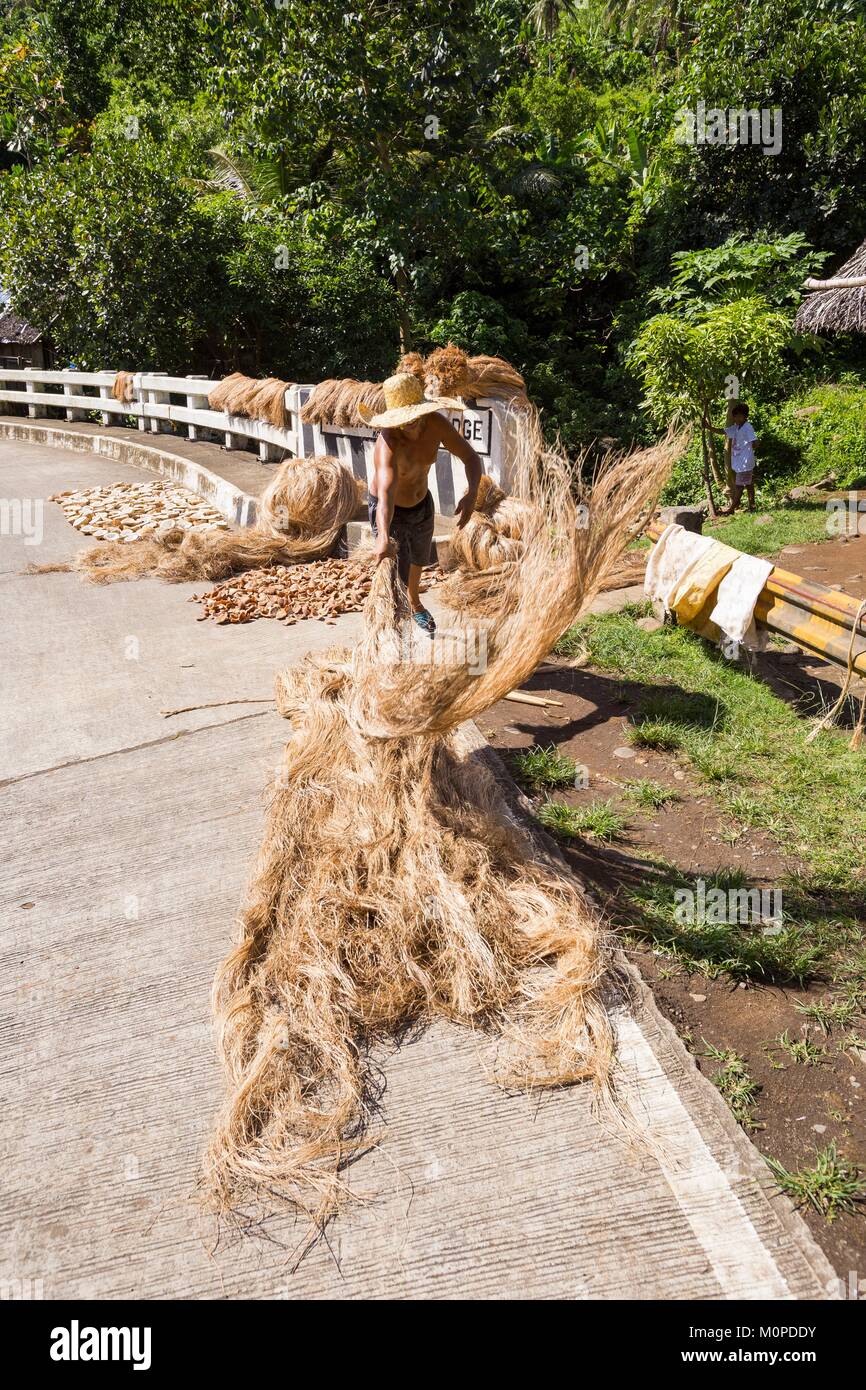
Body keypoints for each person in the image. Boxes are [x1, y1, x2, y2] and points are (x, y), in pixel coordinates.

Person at [359, 372, 482, 635]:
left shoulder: (436, 425)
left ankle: (414, 602)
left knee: (418, 559)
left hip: (422, 503)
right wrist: (382, 537)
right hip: (389, 509)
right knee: (393, 571)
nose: (413, 426)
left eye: (416, 418)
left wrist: (472, 495)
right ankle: (389, 623)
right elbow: (385, 497)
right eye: (406, 422)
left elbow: (471, 457)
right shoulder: (389, 443)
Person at [706, 403, 758, 513]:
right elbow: (722, 431)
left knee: (739, 486)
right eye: (735, 416)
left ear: (745, 417)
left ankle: (731, 509)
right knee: (748, 484)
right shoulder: (736, 428)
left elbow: (755, 442)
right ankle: (752, 506)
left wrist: (748, 451)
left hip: (745, 463)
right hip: (741, 462)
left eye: (739, 416)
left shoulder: (747, 427)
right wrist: (708, 427)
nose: (737, 419)